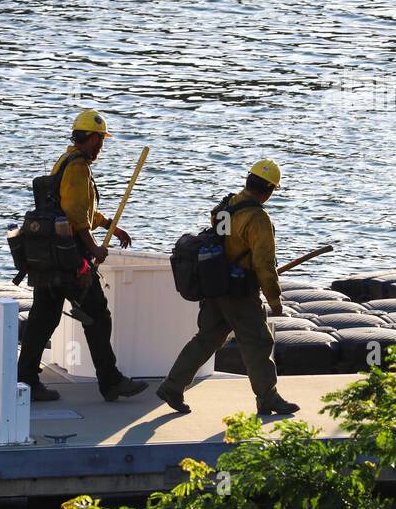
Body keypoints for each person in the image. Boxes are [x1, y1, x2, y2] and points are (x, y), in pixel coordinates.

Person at [17, 110, 149, 403]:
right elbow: (76, 218)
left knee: (43, 318)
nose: (101, 146)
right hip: (69, 259)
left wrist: (109, 226)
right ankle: (110, 381)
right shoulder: (78, 168)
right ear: (89, 138)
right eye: (99, 140)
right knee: (98, 315)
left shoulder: (65, 161)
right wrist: (94, 249)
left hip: (49, 256)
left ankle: (25, 380)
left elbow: (72, 207)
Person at [156, 159, 300, 416]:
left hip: (215, 285)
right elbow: (264, 264)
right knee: (258, 342)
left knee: (206, 339)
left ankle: (172, 386)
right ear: (268, 191)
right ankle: (268, 398)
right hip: (239, 292)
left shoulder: (226, 206)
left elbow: (220, 239)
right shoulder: (258, 219)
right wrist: (275, 300)